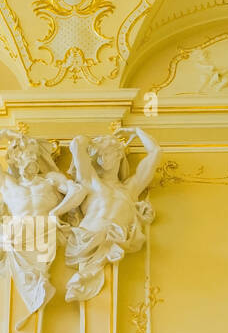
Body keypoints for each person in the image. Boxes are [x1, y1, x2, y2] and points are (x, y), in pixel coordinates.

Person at [0, 127, 85, 326]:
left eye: (35, 154)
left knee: (39, 274)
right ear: (16, 158)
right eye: (27, 154)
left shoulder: (51, 180)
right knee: (32, 278)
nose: (32, 158)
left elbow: (77, 192)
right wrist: (3, 134)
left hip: (45, 230)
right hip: (17, 235)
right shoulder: (6, 183)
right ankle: (37, 296)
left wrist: (56, 212)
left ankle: (38, 292)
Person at [64, 127, 160, 302]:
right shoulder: (92, 181)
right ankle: (82, 280)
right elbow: (77, 143)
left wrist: (137, 131)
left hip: (116, 237)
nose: (102, 159)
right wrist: (95, 143)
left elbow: (155, 152)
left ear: (119, 155)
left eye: (107, 154)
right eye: (100, 155)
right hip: (88, 237)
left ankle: (83, 280)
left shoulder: (131, 189)